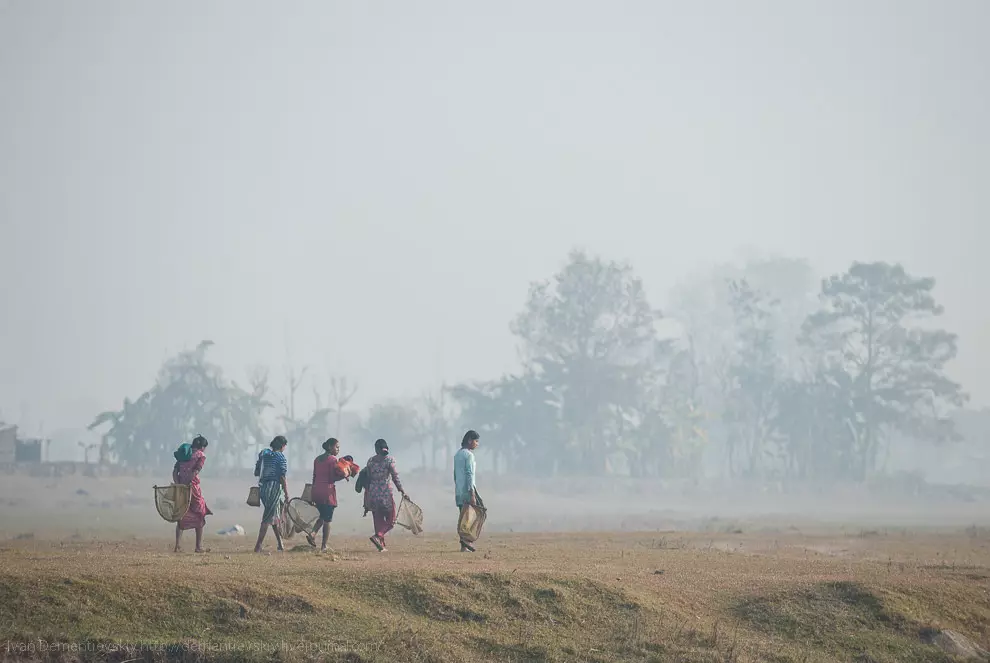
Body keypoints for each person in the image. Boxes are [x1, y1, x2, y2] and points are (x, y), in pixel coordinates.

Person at [306, 438, 357, 552]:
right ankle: (324, 546)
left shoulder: (316, 459)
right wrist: (345, 475)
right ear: (330, 447)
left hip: (316, 490)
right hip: (327, 491)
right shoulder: (333, 460)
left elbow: (314, 477)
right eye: (337, 447)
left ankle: (313, 534)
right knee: (327, 520)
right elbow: (332, 477)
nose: (338, 449)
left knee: (322, 515)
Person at [364, 438, 407, 552]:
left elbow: (367, 480)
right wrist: (401, 490)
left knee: (378, 520)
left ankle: (381, 545)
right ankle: (378, 536)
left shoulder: (370, 461)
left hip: (373, 494)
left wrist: (366, 497)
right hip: (385, 495)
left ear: (376, 449)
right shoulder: (389, 460)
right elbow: (395, 477)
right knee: (391, 520)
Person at [172, 435, 212, 553]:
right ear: (202, 447)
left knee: (181, 515)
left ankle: (177, 546)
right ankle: (198, 546)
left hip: (180, 488)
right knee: (200, 513)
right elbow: (195, 472)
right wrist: (189, 484)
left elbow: (175, 471)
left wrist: (179, 484)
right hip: (193, 488)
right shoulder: (201, 456)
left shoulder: (184, 454)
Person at [254, 436, 289, 553]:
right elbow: (282, 476)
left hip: (263, 488)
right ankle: (258, 546)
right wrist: (287, 494)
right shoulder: (280, 457)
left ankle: (280, 544)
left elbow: (257, 472)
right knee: (267, 517)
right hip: (274, 488)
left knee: (273, 516)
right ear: (282, 446)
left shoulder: (264, 455)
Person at [453, 429, 481, 552]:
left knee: (463, 517)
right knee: (470, 518)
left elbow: (455, 474)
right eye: (476, 441)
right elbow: (469, 474)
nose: (477, 444)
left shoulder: (457, 454)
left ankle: (463, 546)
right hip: (467, 490)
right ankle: (466, 541)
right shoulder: (469, 455)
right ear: (469, 440)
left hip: (459, 490)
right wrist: (472, 492)